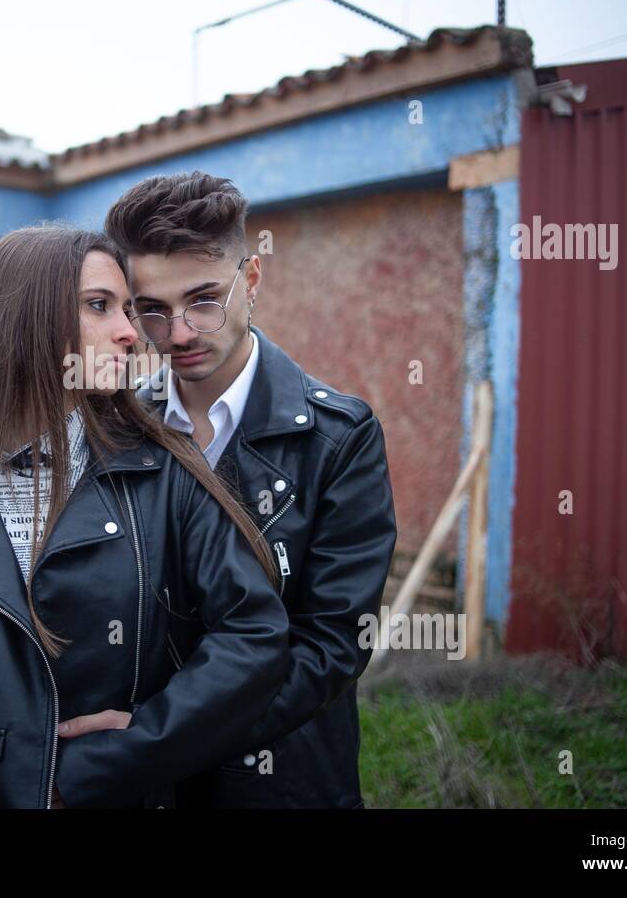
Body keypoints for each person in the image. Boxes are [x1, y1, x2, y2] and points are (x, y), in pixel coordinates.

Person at [0, 223, 290, 808]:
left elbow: (254, 636)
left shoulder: (164, 474)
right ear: (25, 318)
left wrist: (131, 749)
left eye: (127, 309)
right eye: (99, 307)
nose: (131, 334)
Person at [86, 170, 398, 808]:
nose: (177, 335)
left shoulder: (338, 439)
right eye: (152, 309)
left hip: (282, 781)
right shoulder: (116, 428)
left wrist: (160, 738)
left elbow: (332, 646)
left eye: (204, 300)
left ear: (250, 280)